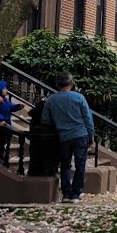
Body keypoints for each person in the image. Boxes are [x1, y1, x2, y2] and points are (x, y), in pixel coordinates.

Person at [41, 72, 95, 203]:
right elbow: (88, 117)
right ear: (71, 83)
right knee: (80, 164)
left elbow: (45, 119)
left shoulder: (51, 100)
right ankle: (76, 194)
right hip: (80, 134)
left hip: (63, 136)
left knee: (65, 165)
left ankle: (66, 193)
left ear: (57, 84)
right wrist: (91, 134)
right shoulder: (79, 97)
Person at [0, 80, 25, 165]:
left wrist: (18, 107)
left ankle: (0, 154)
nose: (6, 90)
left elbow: (11, 107)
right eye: (4, 88)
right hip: (1, 124)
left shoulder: (5, 100)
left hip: (7, 123)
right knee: (0, 141)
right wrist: (0, 119)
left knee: (3, 141)